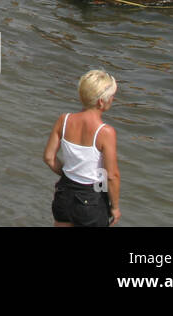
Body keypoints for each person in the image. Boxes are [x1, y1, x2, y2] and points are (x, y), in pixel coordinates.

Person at [44, 70, 120, 227]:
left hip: (64, 192)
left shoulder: (63, 120)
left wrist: (68, 173)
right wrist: (115, 207)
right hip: (91, 198)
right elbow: (112, 176)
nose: (113, 99)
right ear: (101, 101)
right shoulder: (105, 132)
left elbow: (49, 158)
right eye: (112, 96)